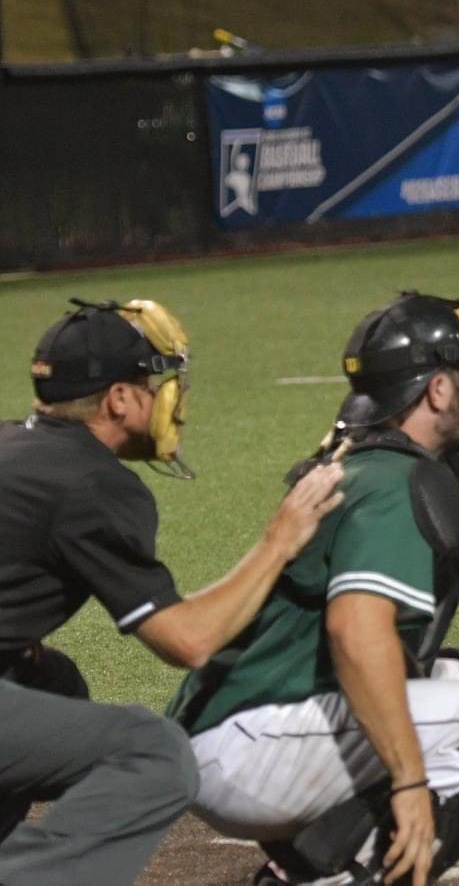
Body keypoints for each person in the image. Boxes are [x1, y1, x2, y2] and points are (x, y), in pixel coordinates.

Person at [167, 293, 459, 886]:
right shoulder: (394, 484)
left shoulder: (364, 453)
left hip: (234, 725)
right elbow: (355, 631)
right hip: (252, 748)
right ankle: (338, 877)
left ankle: (304, 863)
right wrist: (411, 782)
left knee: (457, 676)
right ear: (438, 392)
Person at [0, 298, 345, 886]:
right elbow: (187, 641)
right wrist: (277, 542)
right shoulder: (92, 482)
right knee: (154, 753)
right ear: (118, 400)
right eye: (151, 382)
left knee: (48, 682)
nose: (166, 397)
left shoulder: (16, 447)